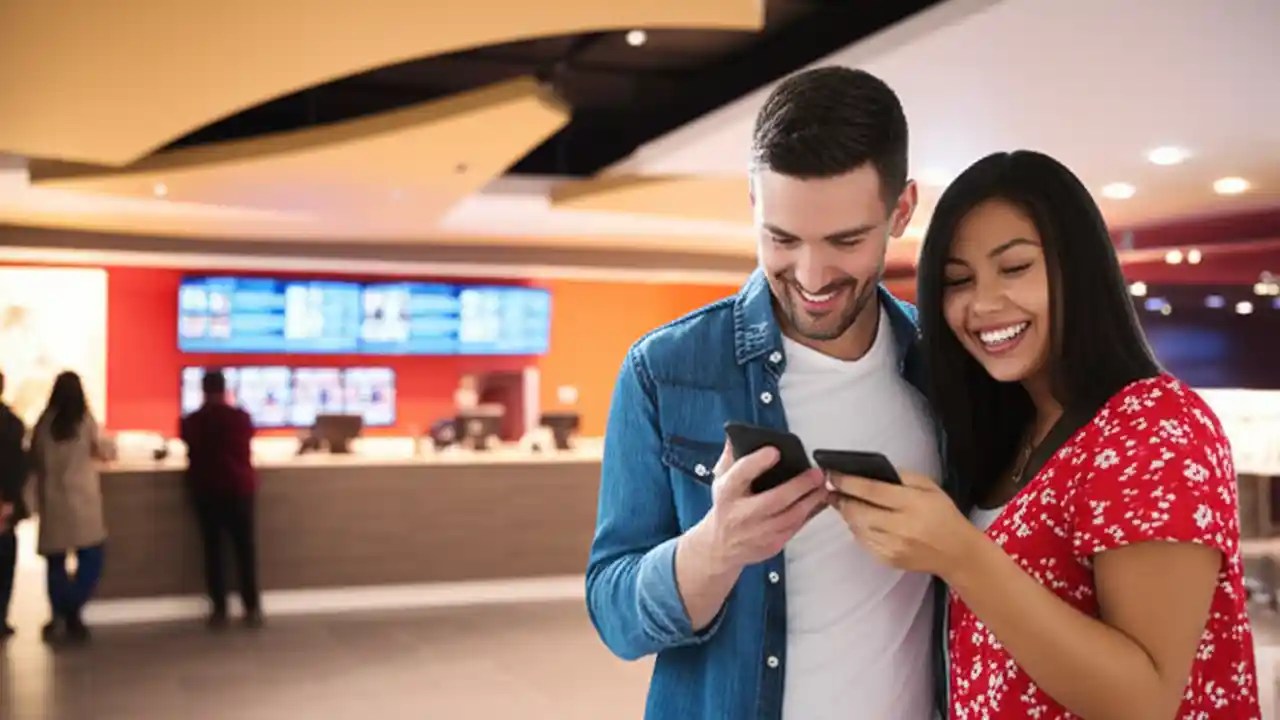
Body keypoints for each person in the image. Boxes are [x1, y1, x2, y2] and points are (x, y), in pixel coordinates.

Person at [830, 150, 1261, 717]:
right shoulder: (1011, 434)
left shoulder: (1153, 424)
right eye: (958, 281)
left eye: (1015, 268)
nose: (982, 304)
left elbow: (1145, 700)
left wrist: (961, 556)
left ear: (1077, 268)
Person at [586, 66, 957, 719]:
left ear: (901, 211)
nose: (812, 277)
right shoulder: (665, 370)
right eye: (782, 240)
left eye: (846, 241)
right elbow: (616, 616)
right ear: (755, 205)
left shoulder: (951, 367)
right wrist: (717, 546)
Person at [181, 369, 263, 629]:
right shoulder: (241, 418)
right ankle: (252, 608)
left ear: (202, 390)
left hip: (207, 492)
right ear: (225, 389)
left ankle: (219, 610)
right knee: (244, 551)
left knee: (214, 552)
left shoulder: (191, 421)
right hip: (239, 490)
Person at [30, 371, 107, 643]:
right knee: (92, 556)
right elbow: (104, 451)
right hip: (83, 502)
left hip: (53, 502)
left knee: (55, 563)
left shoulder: (43, 423)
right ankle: (73, 611)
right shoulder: (85, 421)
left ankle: (59, 616)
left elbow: (34, 459)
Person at [0, 370, 31, 639]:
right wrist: (9, 500)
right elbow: (17, 466)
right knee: (5, 566)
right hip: (4, 509)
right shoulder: (11, 424)